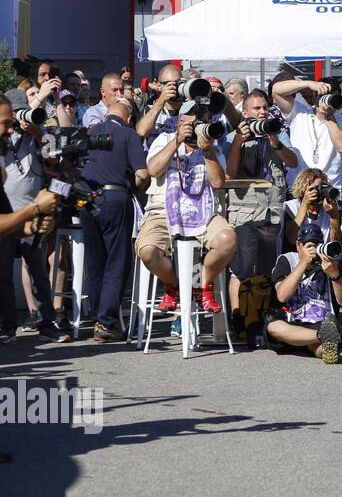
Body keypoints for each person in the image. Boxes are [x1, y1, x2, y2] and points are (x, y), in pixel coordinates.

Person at [135, 104, 236, 316]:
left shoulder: (213, 147)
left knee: (227, 239)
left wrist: (207, 150)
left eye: (203, 119)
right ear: (180, 122)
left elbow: (218, 183)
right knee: (147, 251)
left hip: (204, 212)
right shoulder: (164, 139)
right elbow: (153, 169)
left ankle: (200, 284)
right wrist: (177, 140)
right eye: (193, 119)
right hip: (162, 210)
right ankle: (174, 285)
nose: (199, 123)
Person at [74, 99, 149, 343]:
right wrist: (137, 189)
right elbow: (142, 174)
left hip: (86, 199)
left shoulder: (86, 133)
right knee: (117, 262)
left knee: (95, 262)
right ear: (129, 118)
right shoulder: (129, 135)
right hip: (115, 197)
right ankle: (106, 323)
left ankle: (98, 318)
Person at [0, 97, 64, 342]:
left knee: (39, 270)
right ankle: (7, 327)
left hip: (31, 218)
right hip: (8, 215)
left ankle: (46, 322)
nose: (14, 124)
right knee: (3, 274)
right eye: (9, 119)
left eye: (19, 115)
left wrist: (37, 132)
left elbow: (55, 157)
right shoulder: (4, 143)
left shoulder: (35, 136)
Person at [267, 223, 342, 365]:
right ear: (298, 245)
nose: (314, 250)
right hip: (291, 322)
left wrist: (335, 276)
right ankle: (322, 337)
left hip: (321, 323)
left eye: (317, 245)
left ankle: (327, 350)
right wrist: (303, 264)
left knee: (323, 346)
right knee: (273, 327)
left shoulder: (329, 262)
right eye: (310, 245)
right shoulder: (287, 260)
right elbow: (282, 295)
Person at [272, 77, 342, 194]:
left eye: (332, 97)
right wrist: (308, 83)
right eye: (324, 96)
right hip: (298, 189)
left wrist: (329, 117)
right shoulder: (299, 113)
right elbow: (276, 91)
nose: (327, 101)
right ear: (315, 96)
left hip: (330, 190)